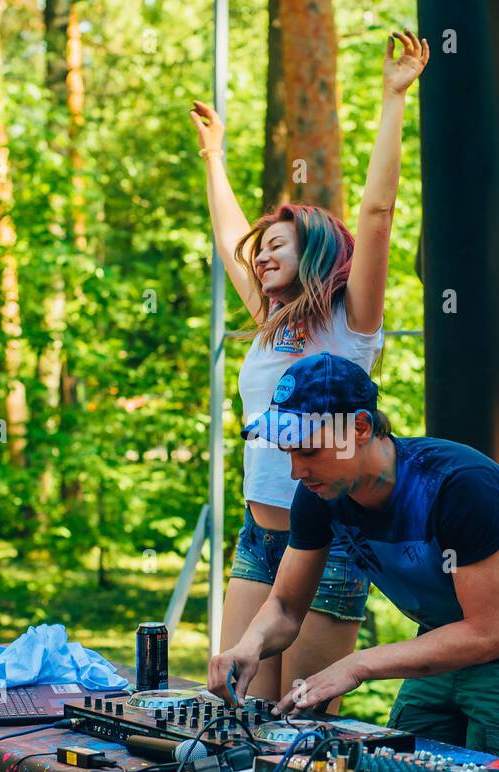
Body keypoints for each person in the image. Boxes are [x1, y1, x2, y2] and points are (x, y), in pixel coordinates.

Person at [189, 30, 429, 710]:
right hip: (257, 537)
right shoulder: (269, 321)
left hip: (326, 541)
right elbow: (229, 243)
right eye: (258, 250)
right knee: (237, 713)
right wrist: (213, 160)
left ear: (316, 251)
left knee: (300, 725)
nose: (260, 258)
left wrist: (392, 98)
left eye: (276, 247)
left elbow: (377, 216)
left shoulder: (351, 322)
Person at [208, 353, 499, 763]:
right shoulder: (319, 495)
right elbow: (284, 606)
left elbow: (486, 635)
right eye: (289, 452)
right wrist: (250, 645)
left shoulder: (459, 487)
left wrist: (355, 665)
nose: (297, 470)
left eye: (310, 450)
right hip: (446, 636)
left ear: (360, 427)